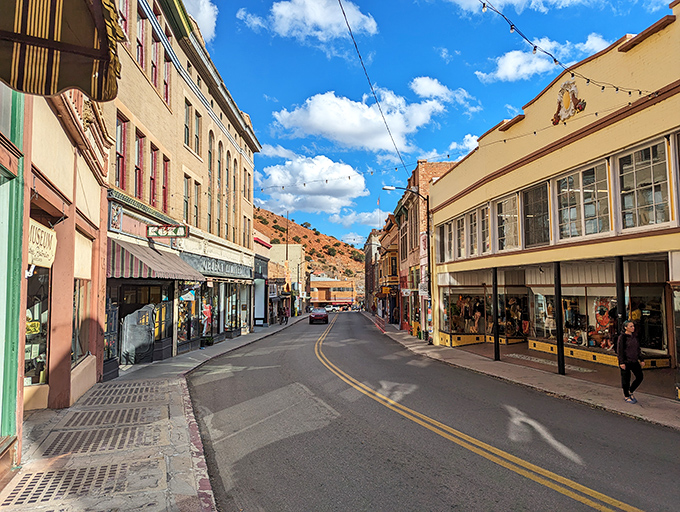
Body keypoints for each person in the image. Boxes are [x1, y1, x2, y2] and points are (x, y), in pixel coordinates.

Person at [617, 320, 644, 404]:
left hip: (634, 360)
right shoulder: (622, 337)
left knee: (640, 376)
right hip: (626, 361)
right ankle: (626, 395)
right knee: (626, 379)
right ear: (625, 327)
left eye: (633, 326)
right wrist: (621, 362)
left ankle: (630, 390)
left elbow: (637, 349)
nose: (633, 328)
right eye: (631, 326)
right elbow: (620, 350)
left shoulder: (634, 336)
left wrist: (641, 359)